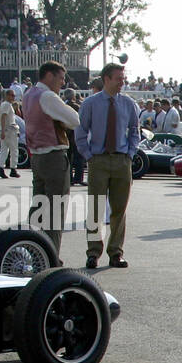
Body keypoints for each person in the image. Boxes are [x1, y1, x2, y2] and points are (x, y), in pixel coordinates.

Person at [75, 62, 140, 267]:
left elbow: (134, 131)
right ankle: (93, 252)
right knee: (96, 207)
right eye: (118, 79)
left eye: (123, 78)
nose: (122, 82)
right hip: (99, 160)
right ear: (106, 79)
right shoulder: (90, 103)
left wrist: (130, 154)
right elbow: (80, 131)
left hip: (121, 160)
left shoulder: (128, 104)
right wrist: (88, 155)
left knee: (119, 209)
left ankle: (115, 252)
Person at [23, 60, 80, 259]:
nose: (62, 84)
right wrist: (60, 122)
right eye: (61, 78)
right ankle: (52, 256)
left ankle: (33, 251)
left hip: (37, 156)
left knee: (38, 207)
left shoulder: (28, 94)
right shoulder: (48, 96)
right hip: (54, 156)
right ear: (49, 75)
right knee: (56, 209)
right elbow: (74, 119)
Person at [0, 90, 20, 178]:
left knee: (4, 150)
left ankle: (1, 167)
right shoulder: (7, 105)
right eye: (12, 95)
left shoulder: (5, 105)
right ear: (7, 95)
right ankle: (13, 168)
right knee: (14, 150)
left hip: (6, 129)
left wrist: (2, 130)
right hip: (10, 130)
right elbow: (3, 117)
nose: (13, 97)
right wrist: (3, 130)